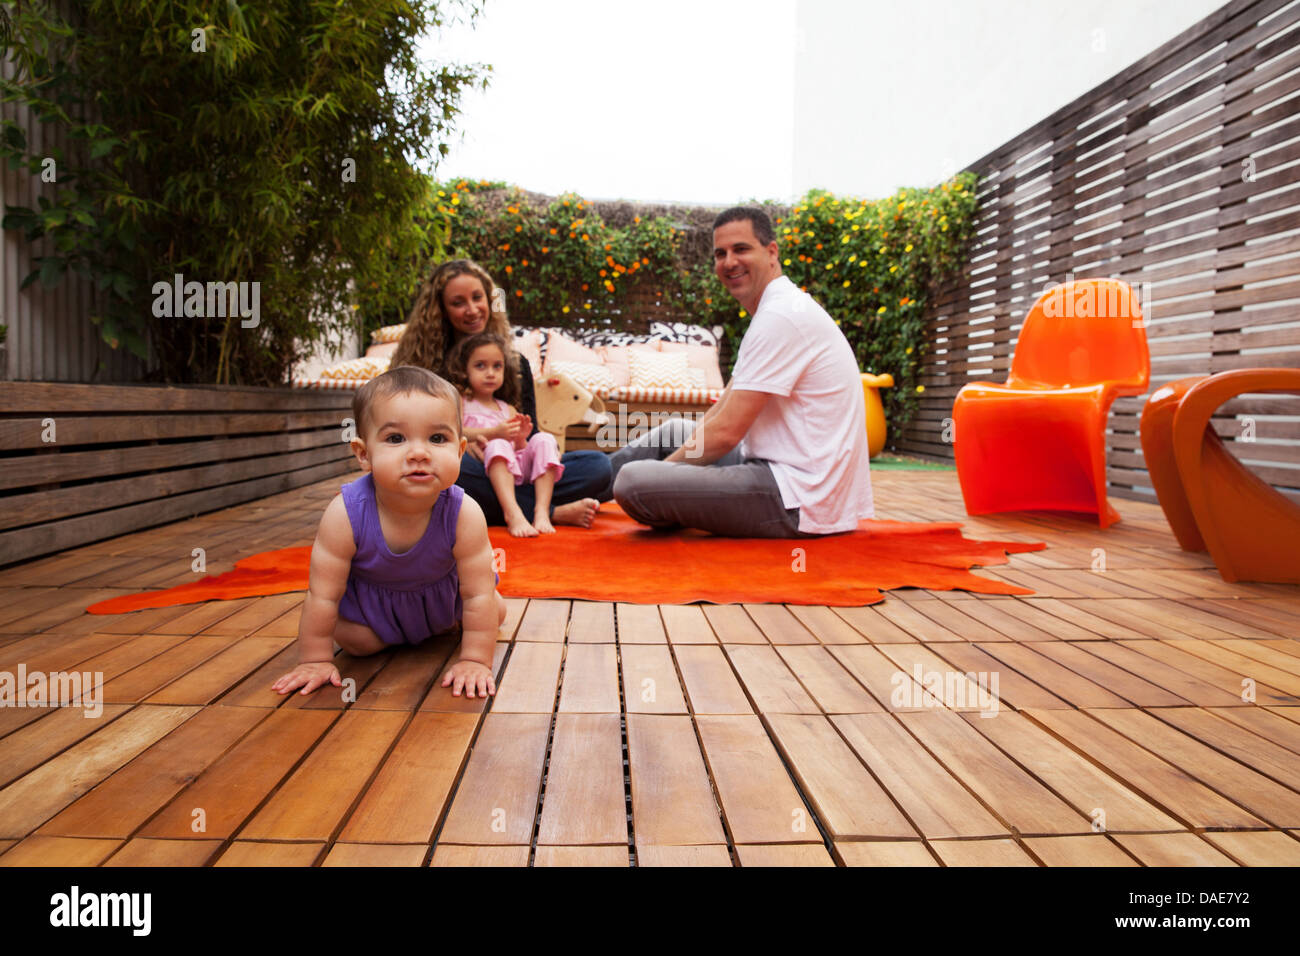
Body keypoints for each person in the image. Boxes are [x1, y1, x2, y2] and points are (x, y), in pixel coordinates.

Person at [608, 207, 873, 537]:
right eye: (721, 253)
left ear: (771, 252)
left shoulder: (781, 318)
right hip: (778, 470)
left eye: (741, 249)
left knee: (635, 481)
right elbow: (722, 411)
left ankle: (570, 489)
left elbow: (726, 433)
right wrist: (671, 472)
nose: (729, 262)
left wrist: (662, 478)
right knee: (675, 430)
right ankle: (559, 486)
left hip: (799, 496)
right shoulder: (776, 310)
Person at [272, 365, 501, 700]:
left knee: (493, 608)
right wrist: (315, 658)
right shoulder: (345, 514)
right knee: (355, 642)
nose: (420, 453)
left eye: (437, 438)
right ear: (364, 454)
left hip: (443, 603)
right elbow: (323, 595)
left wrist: (475, 660)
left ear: (460, 451)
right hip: (374, 612)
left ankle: (439, 627)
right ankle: (404, 635)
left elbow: (477, 594)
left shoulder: (464, 512)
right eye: (396, 438)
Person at [390, 259, 607, 528]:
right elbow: (406, 432)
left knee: (597, 466)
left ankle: (520, 504)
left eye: (477, 298)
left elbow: (532, 432)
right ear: (441, 310)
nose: (472, 310)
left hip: (513, 466)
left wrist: (532, 448)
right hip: (462, 467)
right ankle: (549, 512)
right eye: (458, 302)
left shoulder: (515, 364)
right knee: (448, 477)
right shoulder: (424, 366)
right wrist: (463, 443)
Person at [447, 332, 565, 536]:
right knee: (498, 444)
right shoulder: (461, 401)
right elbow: (454, 432)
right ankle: (513, 512)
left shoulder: (507, 408)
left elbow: (519, 450)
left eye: (497, 366)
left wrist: (521, 439)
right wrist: (494, 433)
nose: (490, 373)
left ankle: (542, 510)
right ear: (465, 370)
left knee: (545, 439)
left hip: (515, 470)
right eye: (480, 366)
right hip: (483, 469)